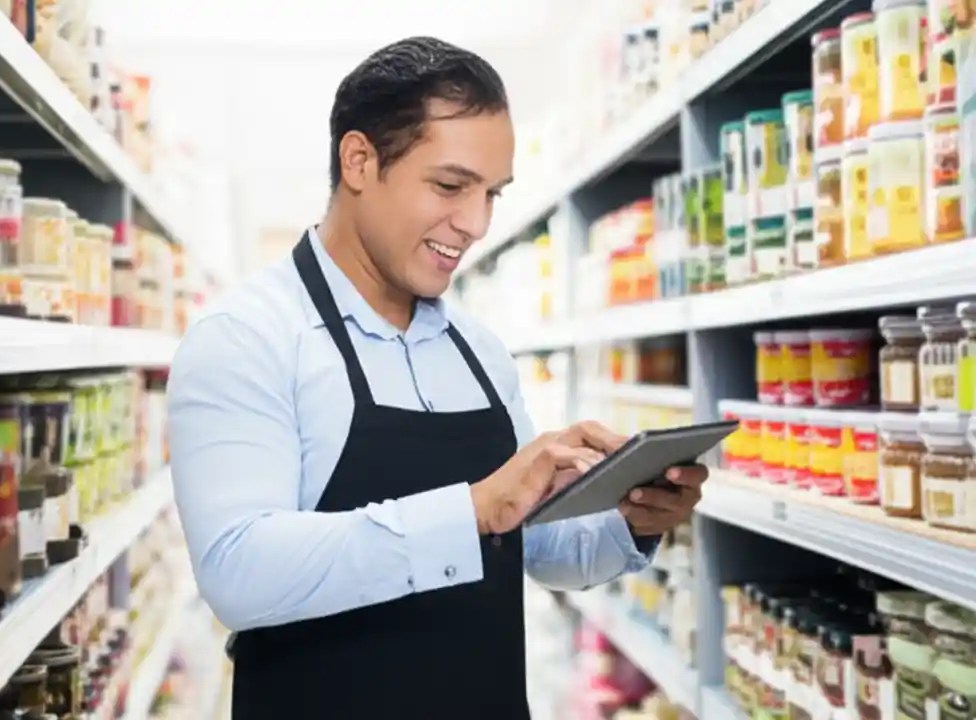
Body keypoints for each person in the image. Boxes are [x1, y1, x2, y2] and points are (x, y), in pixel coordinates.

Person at [167, 36, 709, 720]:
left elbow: (538, 551)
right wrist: (476, 508)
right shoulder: (250, 338)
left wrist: (627, 520)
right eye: (451, 186)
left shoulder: (478, 352)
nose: (476, 224)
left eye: (492, 194)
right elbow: (239, 572)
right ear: (360, 160)